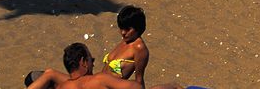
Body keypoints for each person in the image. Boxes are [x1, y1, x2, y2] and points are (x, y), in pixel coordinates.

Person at [25, 41, 179, 89]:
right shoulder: (99, 80)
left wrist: (50, 74)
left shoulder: (62, 86)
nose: (93, 62)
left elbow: (50, 73)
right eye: (91, 60)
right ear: (83, 62)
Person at [101, 5, 149, 84]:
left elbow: (139, 80)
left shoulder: (139, 48)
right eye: (121, 28)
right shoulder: (125, 41)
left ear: (138, 28)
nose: (123, 32)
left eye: (127, 29)